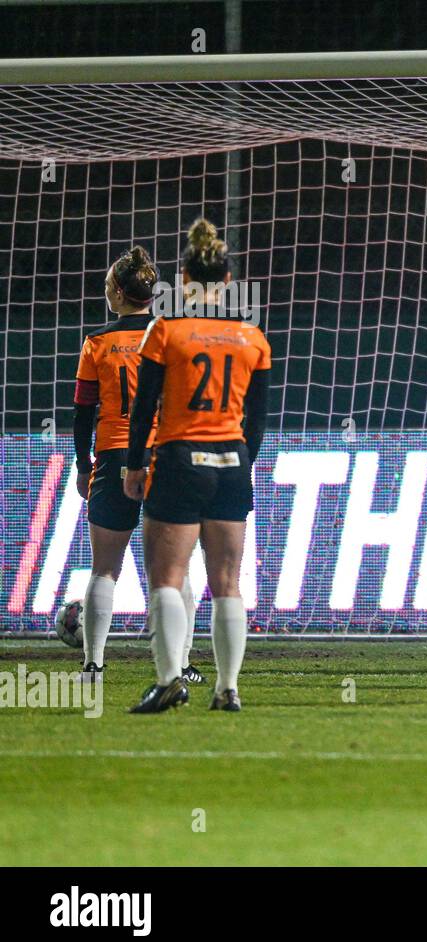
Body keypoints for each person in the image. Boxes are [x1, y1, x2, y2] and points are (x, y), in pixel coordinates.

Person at [124, 218, 271, 713]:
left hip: (180, 458)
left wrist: (134, 465)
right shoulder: (253, 338)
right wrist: (241, 459)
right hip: (231, 461)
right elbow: (258, 421)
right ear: (227, 281)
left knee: (167, 576)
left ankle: (169, 681)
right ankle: (227, 689)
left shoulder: (165, 331)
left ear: (183, 278)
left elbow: (143, 407)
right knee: (227, 581)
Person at [72, 245, 203, 684]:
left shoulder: (97, 342)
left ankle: (93, 665)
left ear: (116, 292)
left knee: (105, 568)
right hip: (164, 458)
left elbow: (82, 411)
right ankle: (181, 666)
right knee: (175, 570)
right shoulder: (171, 337)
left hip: (112, 456)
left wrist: (81, 464)